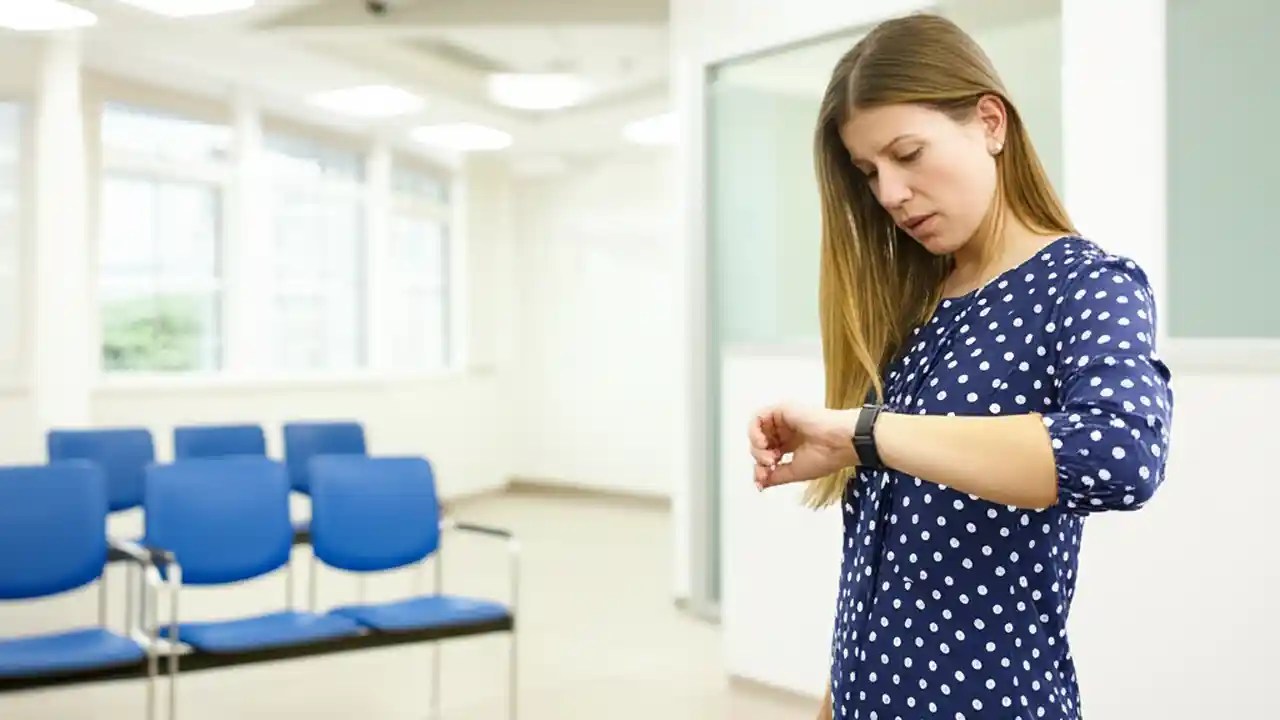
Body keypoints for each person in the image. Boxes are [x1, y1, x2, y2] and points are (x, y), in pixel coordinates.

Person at [746, 13, 1173, 720]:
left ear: (990, 122)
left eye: (908, 153)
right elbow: (879, 579)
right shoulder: (913, 311)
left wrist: (868, 433)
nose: (889, 194)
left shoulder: (1085, 284)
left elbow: (1121, 454)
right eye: (869, 172)